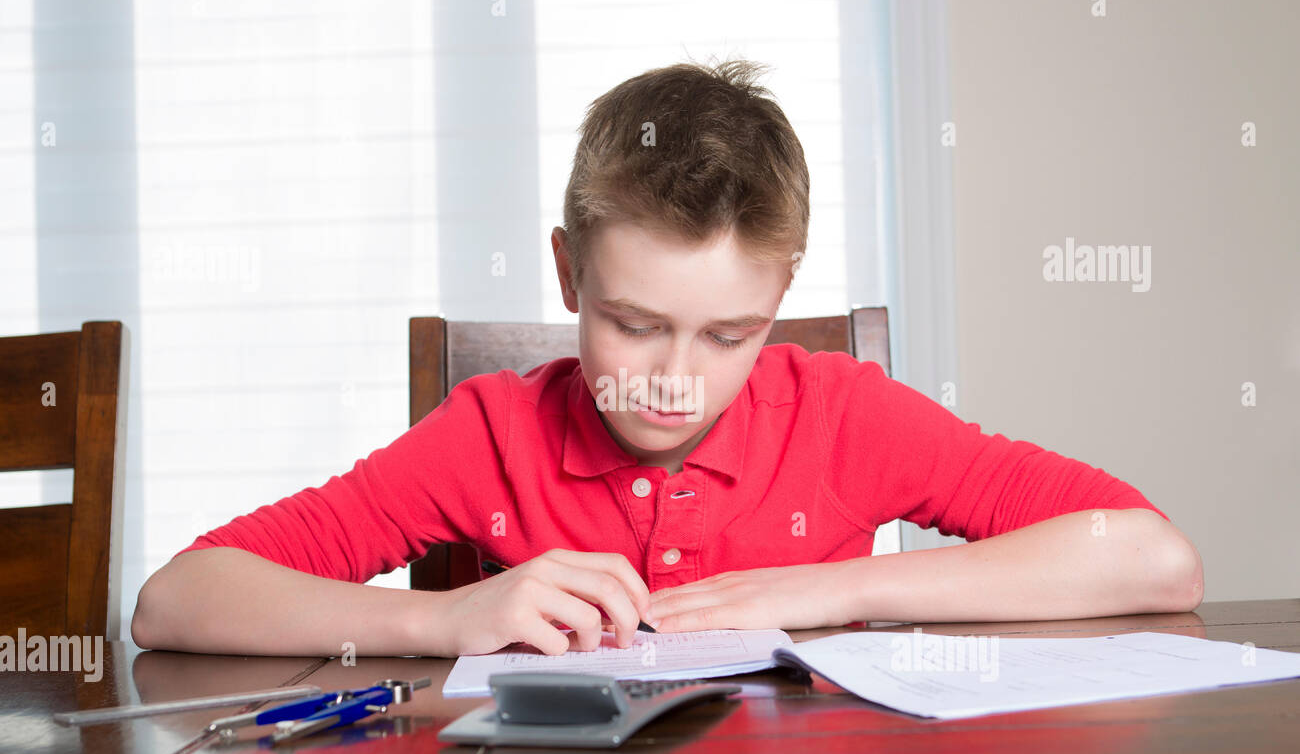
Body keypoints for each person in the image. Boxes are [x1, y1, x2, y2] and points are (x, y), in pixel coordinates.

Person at [132, 58, 1203, 659]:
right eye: (633, 322)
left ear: (778, 300)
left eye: (727, 335)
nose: (670, 377)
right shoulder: (493, 433)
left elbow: (1153, 558)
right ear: (567, 275)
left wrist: (831, 588)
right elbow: (175, 601)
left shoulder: (845, 416)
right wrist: (439, 614)